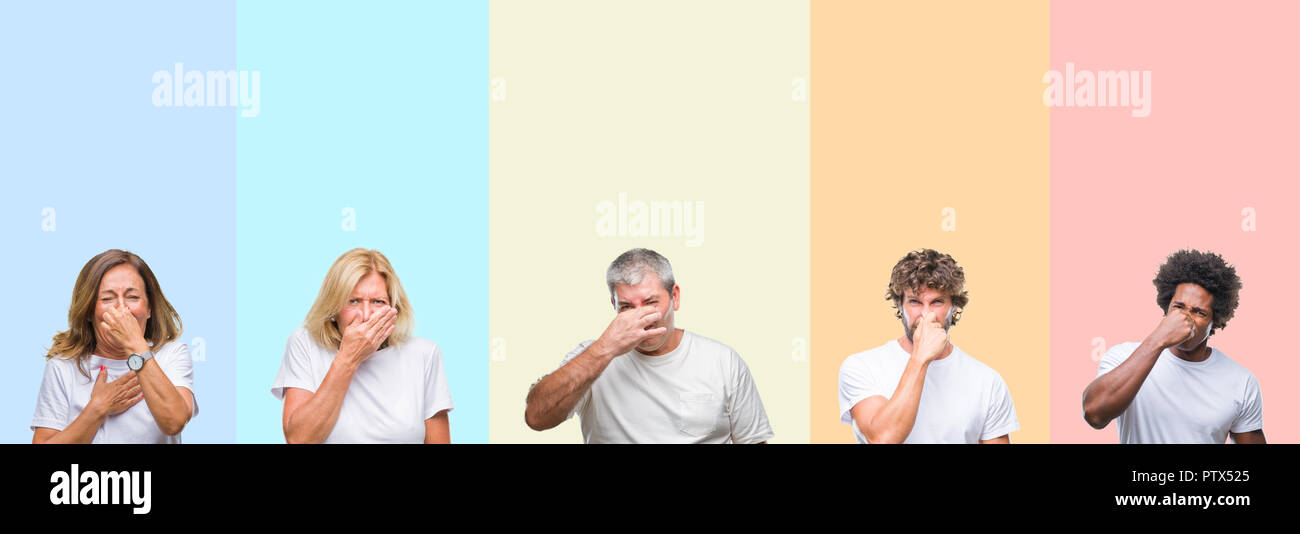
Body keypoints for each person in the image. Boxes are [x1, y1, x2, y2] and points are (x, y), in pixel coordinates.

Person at [524, 248, 773, 443]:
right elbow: (536, 417)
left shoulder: (722, 361)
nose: (640, 318)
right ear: (613, 305)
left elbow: (752, 440)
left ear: (674, 297)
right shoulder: (591, 357)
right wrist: (606, 349)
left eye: (651, 302)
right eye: (627, 307)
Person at [1082, 249, 1264, 443]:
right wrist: (1158, 340)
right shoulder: (1123, 357)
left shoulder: (1241, 381)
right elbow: (1095, 414)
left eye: (1199, 312)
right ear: (1166, 307)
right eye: (1178, 307)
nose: (1185, 318)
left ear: (1215, 321)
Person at [272, 248, 452, 443]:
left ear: (394, 308)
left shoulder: (424, 354)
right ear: (333, 307)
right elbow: (299, 439)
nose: (366, 315)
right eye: (353, 301)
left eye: (377, 302)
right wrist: (348, 358)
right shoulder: (305, 344)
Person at [838, 249, 1018, 444]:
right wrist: (920, 357)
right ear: (900, 305)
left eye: (937, 302)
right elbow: (882, 439)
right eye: (914, 302)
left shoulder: (988, 381)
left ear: (954, 307)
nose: (926, 315)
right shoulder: (862, 367)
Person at [32, 249, 197, 444]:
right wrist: (97, 409)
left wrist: (135, 345)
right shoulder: (63, 366)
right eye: (107, 299)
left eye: (133, 297)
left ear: (149, 307)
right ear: (88, 311)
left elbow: (174, 422)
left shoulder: (171, 355)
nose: (122, 309)